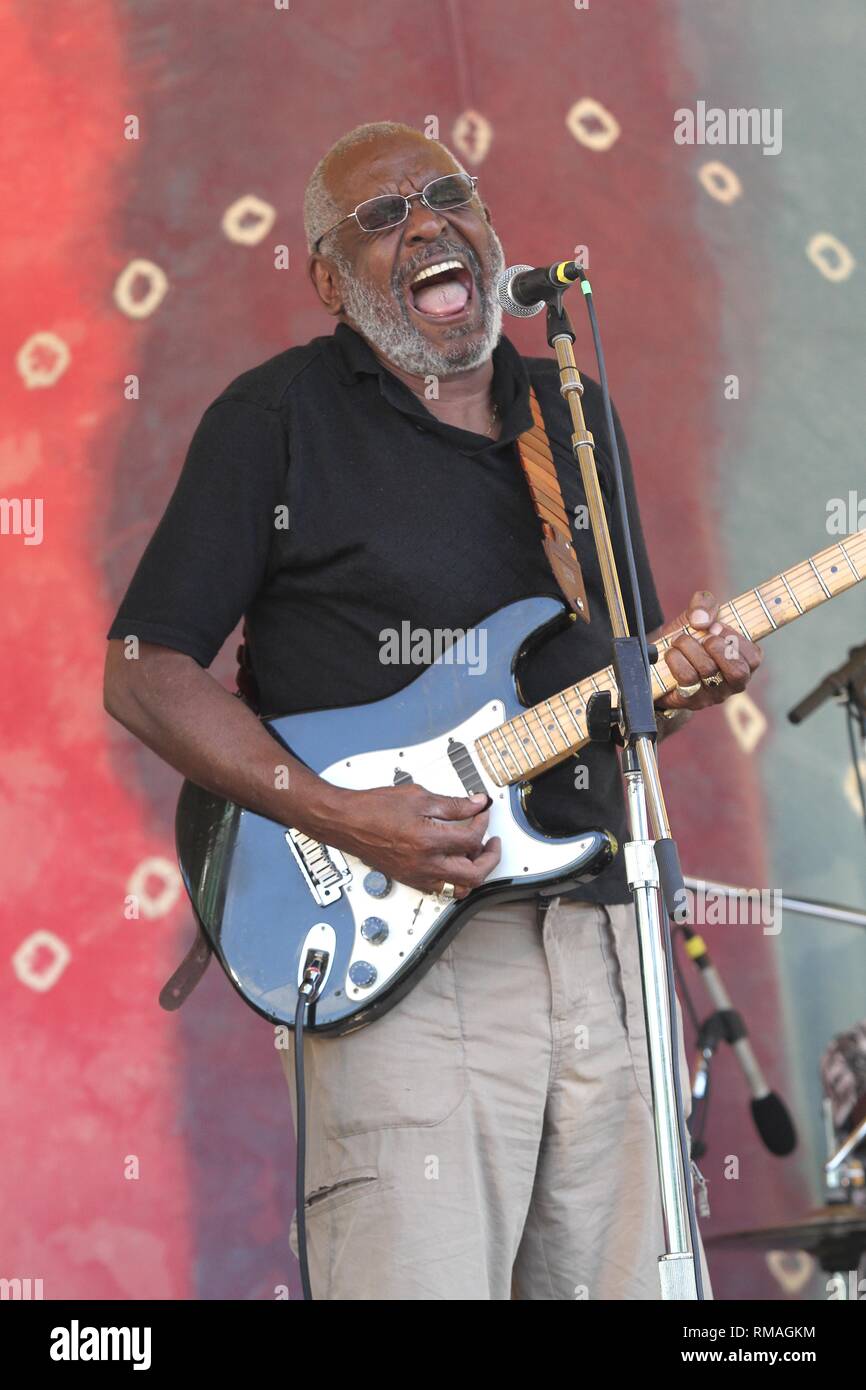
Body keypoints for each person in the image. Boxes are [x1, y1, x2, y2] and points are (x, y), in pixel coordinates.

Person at [104, 121, 762, 1300]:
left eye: (444, 193)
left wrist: (689, 679)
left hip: (598, 942)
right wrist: (344, 815)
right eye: (380, 215)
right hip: (410, 964)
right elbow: (145, 667)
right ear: (326, 278)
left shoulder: (568, 412)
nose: (423, 222)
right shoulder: (278, 419)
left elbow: (622, 695)